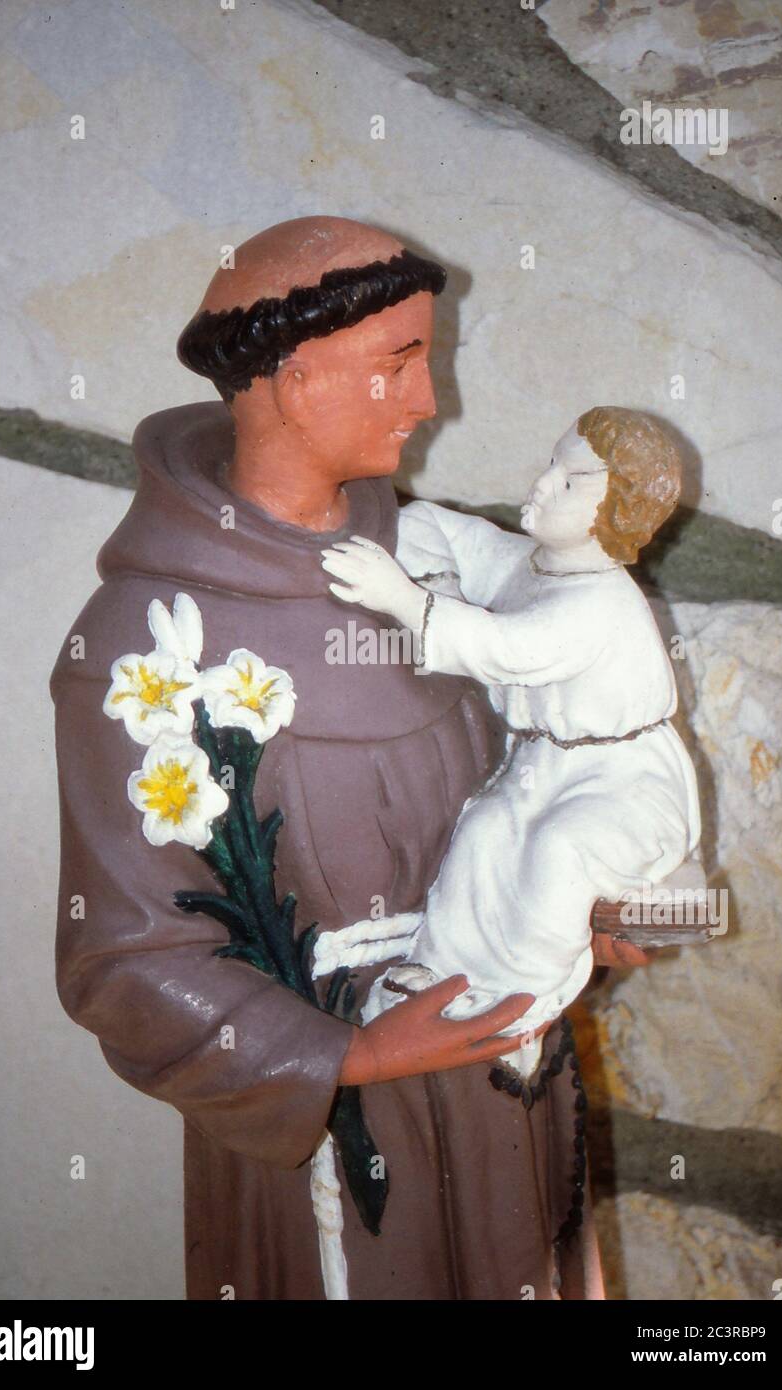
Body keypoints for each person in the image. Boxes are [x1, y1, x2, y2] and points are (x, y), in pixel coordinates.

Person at [51, 215, 636, 1300]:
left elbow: (520, 781)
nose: (429, 402)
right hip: (333, 1140)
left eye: (429, 361)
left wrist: (566, 906)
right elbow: (120, 962)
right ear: (290, 376)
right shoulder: (146, 644)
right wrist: (346, 1060)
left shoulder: (436, 568)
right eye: (399, 364)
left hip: (506, 1086)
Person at [317, 408, 702, 1082]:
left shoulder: (600, 602)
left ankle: (521, 1006)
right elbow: (436, 528)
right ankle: (441, 973)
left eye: (573, 480)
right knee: (486, 830)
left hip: (624, 780)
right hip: (541, 763)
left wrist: (406, 602)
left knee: (560, 851)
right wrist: (434, 582)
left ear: (619, 510)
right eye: (551, 462)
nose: (544, 482)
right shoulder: (526, 565)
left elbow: (508, 649)